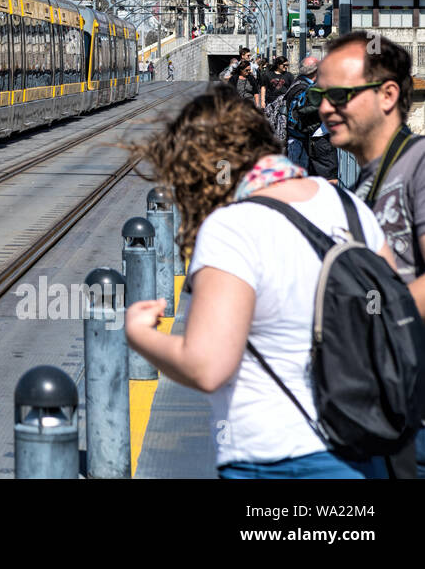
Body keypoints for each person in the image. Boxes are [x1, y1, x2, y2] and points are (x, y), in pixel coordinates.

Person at [125, 85, 391, 478]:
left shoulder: (233, 227)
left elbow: (208, 366)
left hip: (275, 458)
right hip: (364, 448)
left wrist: (140, 335)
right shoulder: (350, 208)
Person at [317, 31, 425, 474]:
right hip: (381, 412)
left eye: (340, 95)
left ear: (388, 95)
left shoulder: (418, 165)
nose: (325, 108)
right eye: (322, 96)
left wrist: (363, 332)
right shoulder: (362, 183)